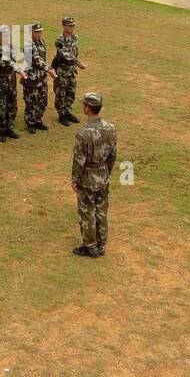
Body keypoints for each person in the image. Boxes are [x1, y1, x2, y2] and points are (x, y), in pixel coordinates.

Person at [71, 91, 117, 258]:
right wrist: (106, 172)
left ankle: (90, 246)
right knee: (101, 210)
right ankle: (101, 243)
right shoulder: (111, 128)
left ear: (88, 108)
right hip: (103, 174)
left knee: (87, 211)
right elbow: (113, 155)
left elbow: (78, 161)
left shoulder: (83, 134)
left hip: (88, 177)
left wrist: (75, 180)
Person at [22, 22, 55, 133]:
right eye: (36, 32)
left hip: (41, 77)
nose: (39, 34)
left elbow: (43, 59)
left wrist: (47, 69)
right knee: (31, 102)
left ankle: (38, 120)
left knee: (42, 100)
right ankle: (30, 122)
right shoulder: (28, 44)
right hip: (32, 78)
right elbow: (37, 61)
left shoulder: (41, 42)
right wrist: (49, 69)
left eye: (40, 31)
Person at [0, 25, 22, 142]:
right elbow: (4, 64)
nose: (6, 37)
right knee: (1, 105)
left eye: (7, 35)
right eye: (3, 35)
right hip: (2, 80)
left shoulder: (11, 47)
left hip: (12, 80)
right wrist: (18, 69)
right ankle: (2, 130)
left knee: (12, 103)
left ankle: (10, 127)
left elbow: (14, 59)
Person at [52, 16, 85, 125]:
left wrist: (75, 64)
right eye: (69, 26)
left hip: (71, 71)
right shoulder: (59, 40)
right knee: (61, 93)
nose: (72, 28)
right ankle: (61, 114)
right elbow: (66, 54)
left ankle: (68, 112)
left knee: (71, 92)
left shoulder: (75, 37)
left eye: (73, 26)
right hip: (62, 71)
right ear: (63, 26)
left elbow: (75, 51)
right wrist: (78, 63)